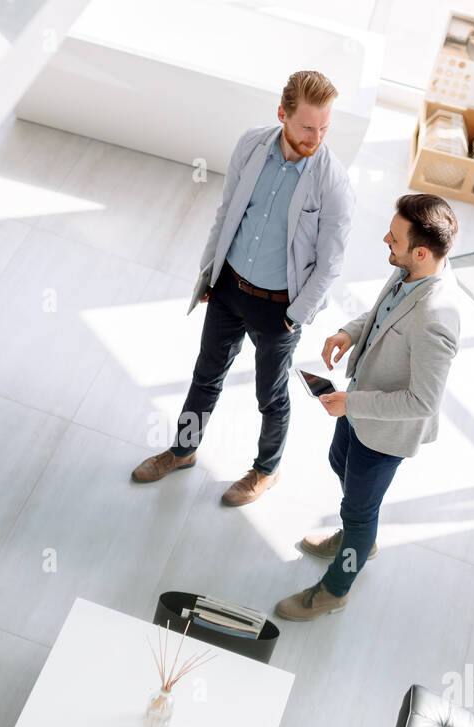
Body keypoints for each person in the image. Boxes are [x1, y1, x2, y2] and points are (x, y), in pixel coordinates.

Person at [131, 70, 354, 506]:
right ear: (282, 115)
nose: (317, 136)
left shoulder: (333, 182)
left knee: (269, 397)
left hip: (280, 310)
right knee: (205, 376)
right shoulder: (252, 144)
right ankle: (182, 450)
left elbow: (331, 264)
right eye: (308, 126)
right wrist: (210, 274)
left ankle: (265, 470)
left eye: (325, 126)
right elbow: (226, 212)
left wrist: (295, 316)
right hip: (229, 288)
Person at [275, 193, 462, 621]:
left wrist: (352, 402)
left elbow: (423, 401)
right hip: (359, 407)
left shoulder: (437, 318)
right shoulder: (412, 268)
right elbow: (383, 313)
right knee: (338, 459)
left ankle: (335, 589)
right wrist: (349, 332)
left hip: (383, 429)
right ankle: (357, 536)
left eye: (393, 238)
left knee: (360, 512)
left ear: (420, 251)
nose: (384, 240)